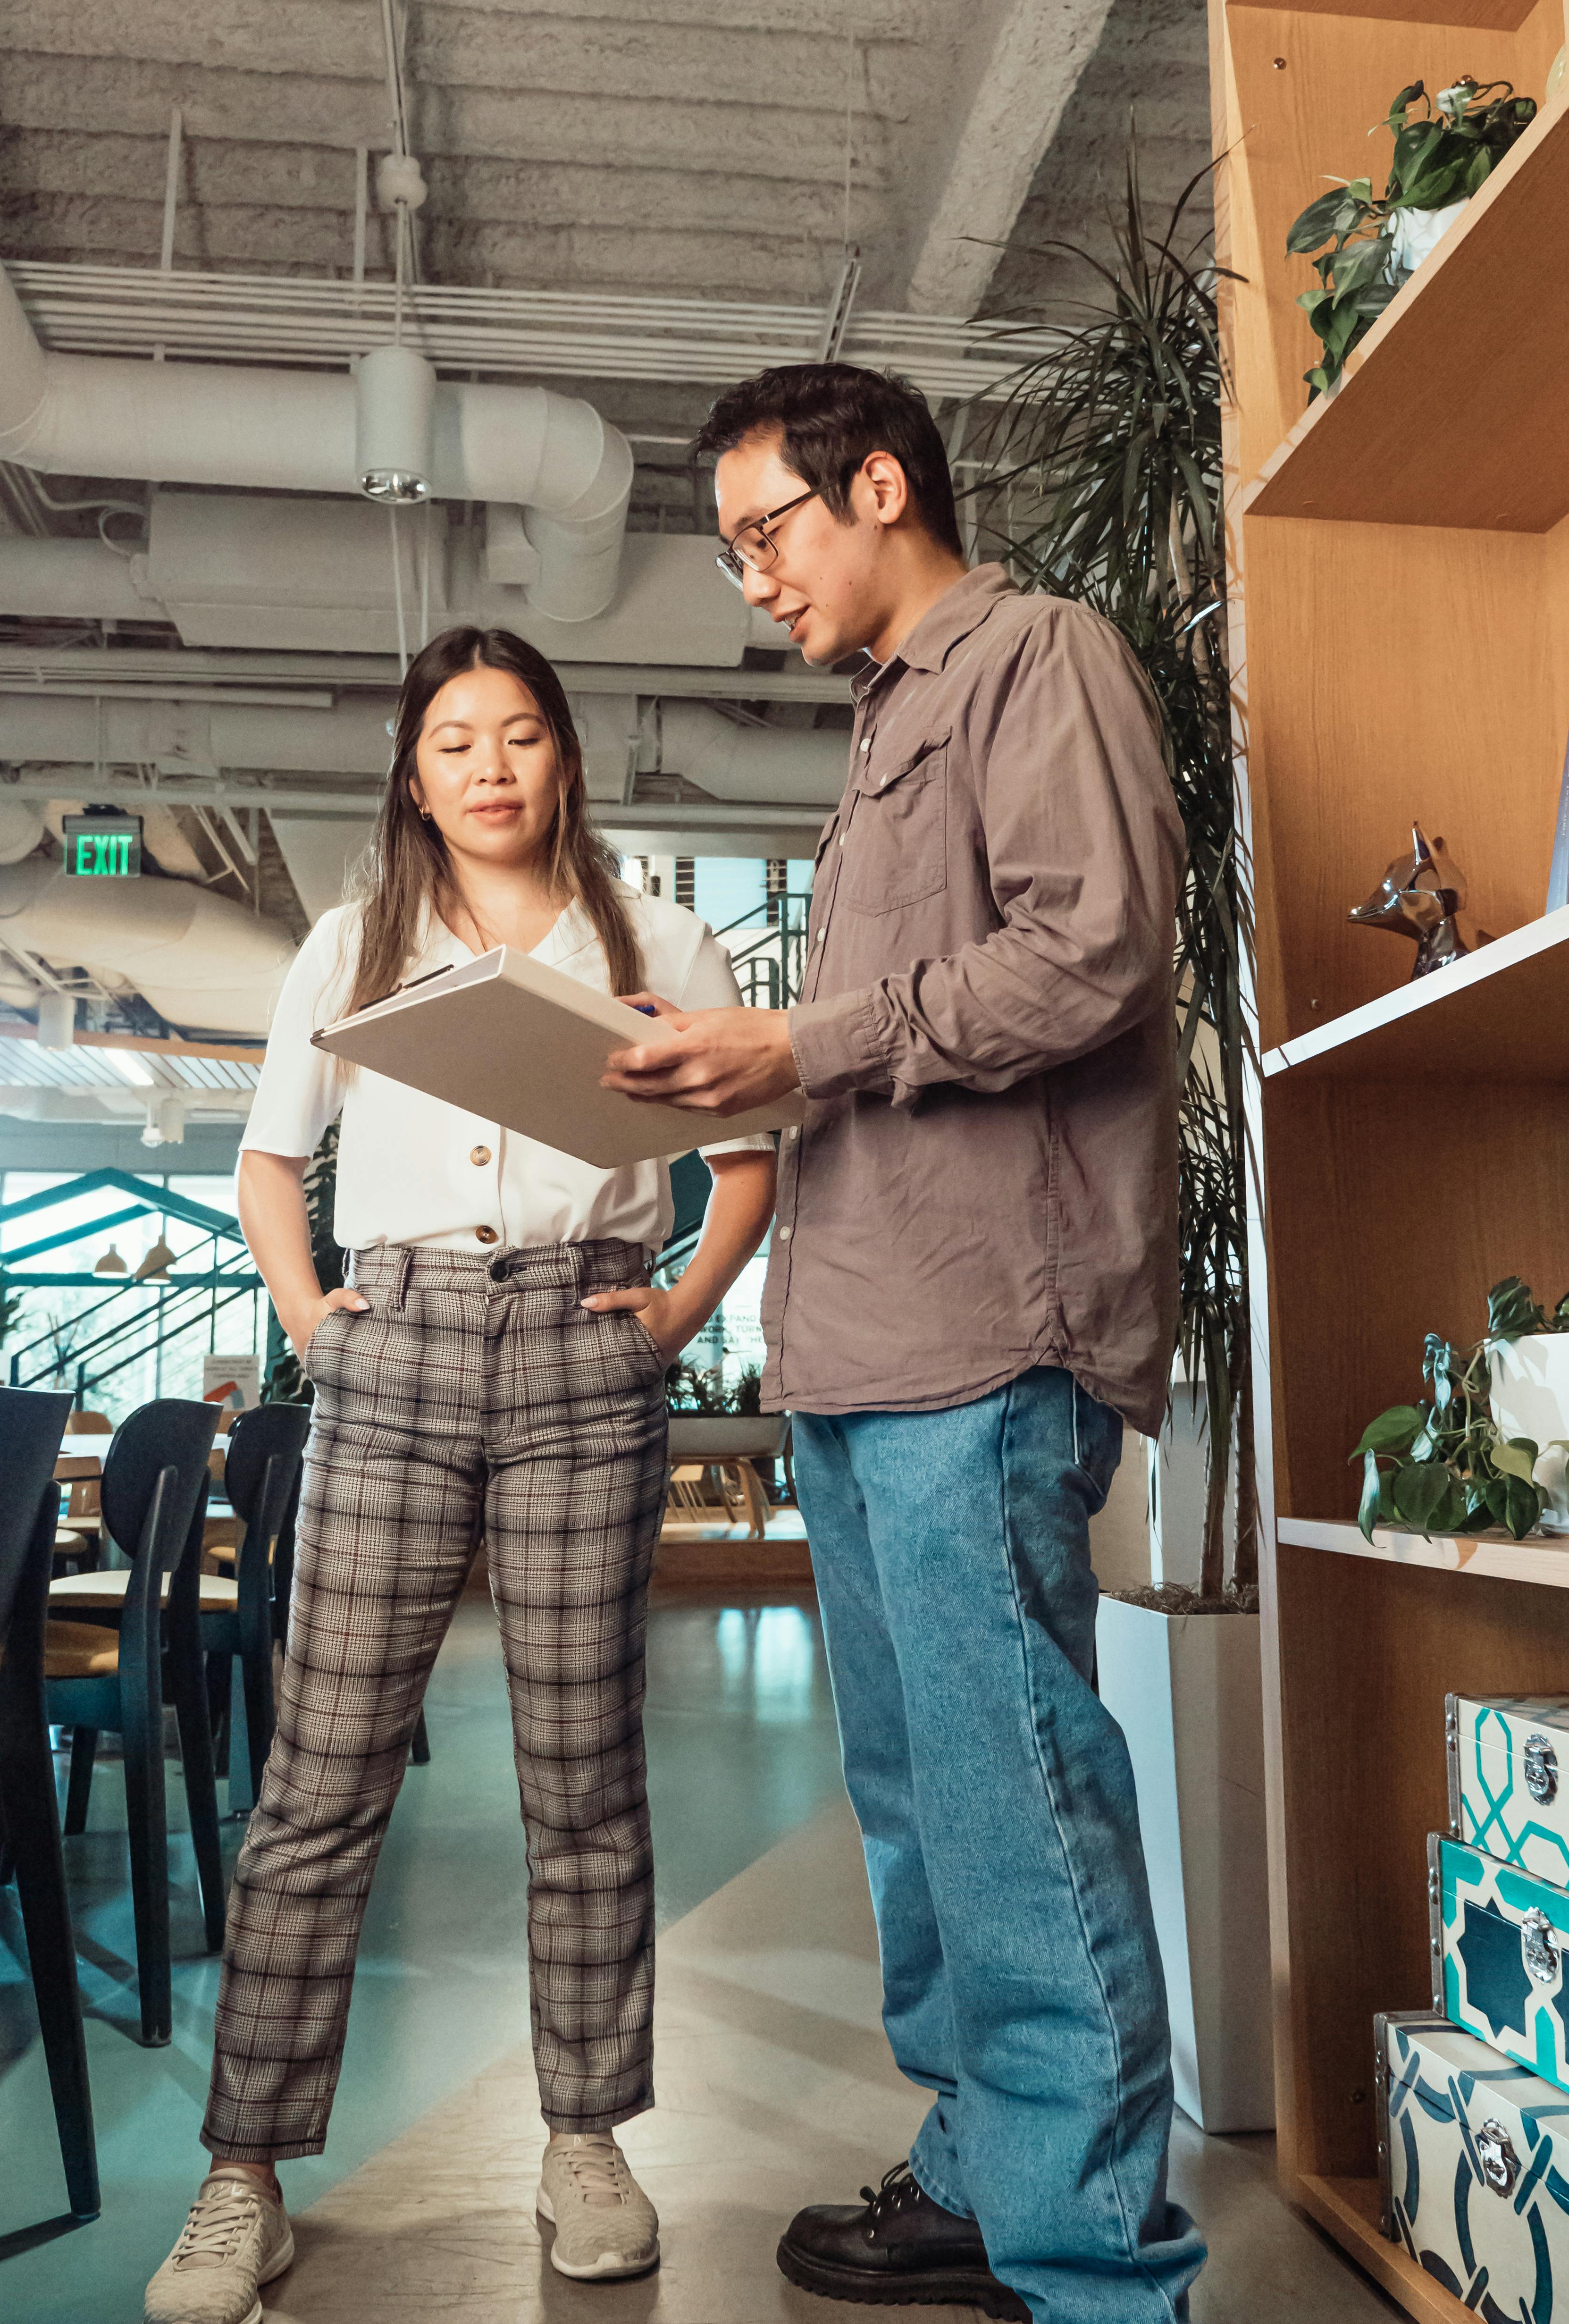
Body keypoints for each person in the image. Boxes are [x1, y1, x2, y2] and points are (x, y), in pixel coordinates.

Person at [601, 364, 1207, 2324]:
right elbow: (894, 1045)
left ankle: (1103, 2267)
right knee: (920, 1817)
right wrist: (729, 1082)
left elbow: (1094, 949)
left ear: (880, 484)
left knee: (1017, 1811)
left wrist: (798, 1043)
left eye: (767, 531)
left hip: (982, 1341)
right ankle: (981, 2164)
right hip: (860, 1351)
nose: (754, 577)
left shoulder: (1039, 655)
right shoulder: (877, 739)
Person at [144, 625, 776, 2324]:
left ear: (564, 754)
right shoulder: (354, 944)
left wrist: (677, 1319)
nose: (489, 766)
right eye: (453, 742)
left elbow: (745, 1160)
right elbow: (271, 1161)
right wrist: (313, 1326)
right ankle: (243, 2176)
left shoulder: (665, 938)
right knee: (318, 1780)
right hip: (395, 1351)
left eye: (517, 734)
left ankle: (584, 2140)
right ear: (413, 773)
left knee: (583, 1775)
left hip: (589, 1354)